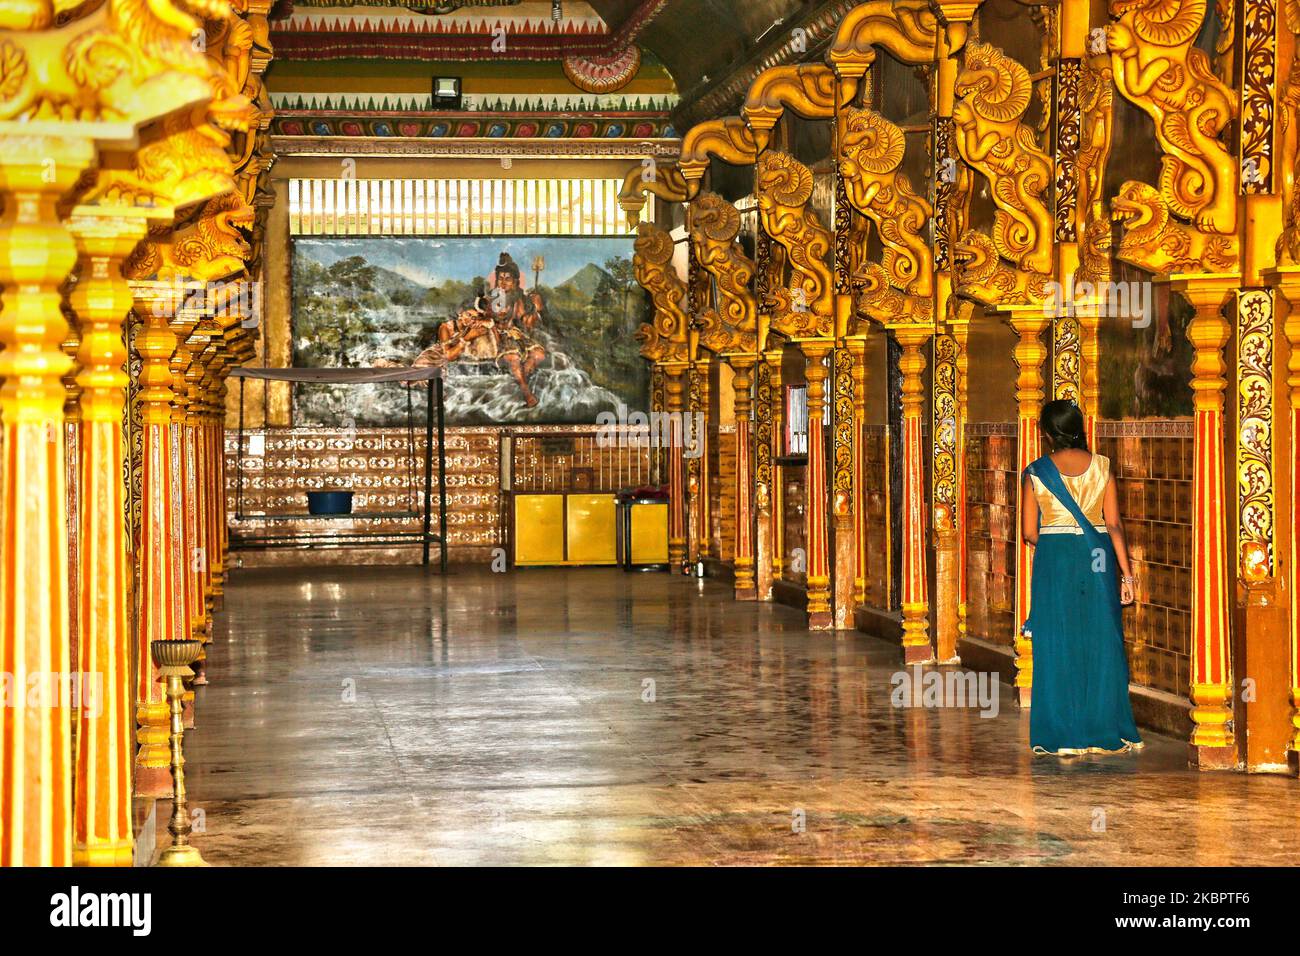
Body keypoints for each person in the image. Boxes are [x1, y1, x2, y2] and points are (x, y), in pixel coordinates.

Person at [1020, 399, 1143, 756]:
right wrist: (1128, 576)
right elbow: (1115, 524)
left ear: (1047, 434)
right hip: (1099, 557)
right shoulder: (1103, 467)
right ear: (1079, 428)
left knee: (1057, 642)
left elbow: (1029, 532)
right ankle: (1105, 729)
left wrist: (1058, 541)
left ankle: (1061, 736)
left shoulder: (1036, 472)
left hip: (1056, 561)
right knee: (1101, 641)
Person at [484, 253, 547, 407]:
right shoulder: (494, 298)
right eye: (500, 278)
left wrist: (536, 309)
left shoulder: (523, 299)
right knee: (513, 358)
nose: (503, 283)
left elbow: (529, 324)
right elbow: (493, 316)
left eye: (508, 279)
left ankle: (519, 381)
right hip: (502, 337)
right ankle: (527, 394)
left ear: (516, 282)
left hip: (521, 337)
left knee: (539, 354)